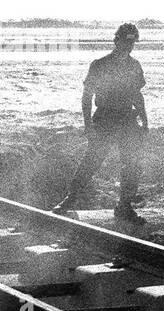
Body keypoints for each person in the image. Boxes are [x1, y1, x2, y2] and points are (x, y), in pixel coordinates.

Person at [52, 23, 148, 224]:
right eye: (126, 41)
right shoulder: (100, 65)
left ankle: (124, 206)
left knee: (132, 164)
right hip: (105, 119)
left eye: (132, 42)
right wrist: (87, 124)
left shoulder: (134, 66)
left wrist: (145, 121)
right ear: (116, 40)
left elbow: (137, 95)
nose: (129, 46)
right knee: (92, 160)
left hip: (127, 120)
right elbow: (87, 96)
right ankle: (70, 200)